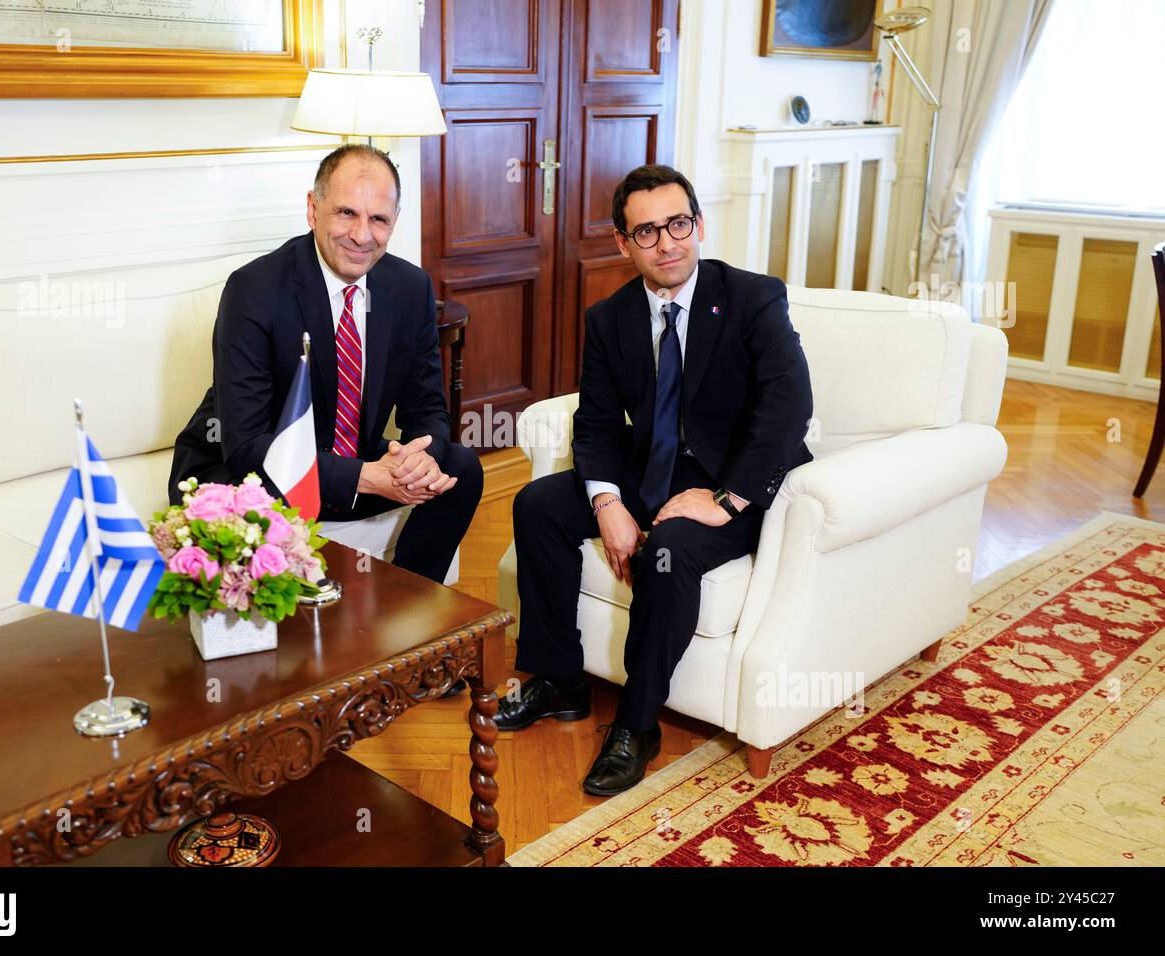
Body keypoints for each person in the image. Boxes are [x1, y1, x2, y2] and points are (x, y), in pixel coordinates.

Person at [497, 164, 814, 795]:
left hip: (734, 486)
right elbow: (594, 424)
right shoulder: (609, 318)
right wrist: (609, 501)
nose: (667, 243)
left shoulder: (753, 298)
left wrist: (727, 499)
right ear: (623, 243)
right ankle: (560, 680)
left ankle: (637, 725)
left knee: (667, 552)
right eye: (647, 232)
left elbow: (789, 407)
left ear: (698, 224)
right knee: (536, 504)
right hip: (650, 478)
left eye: (678, 224)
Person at [169, 144, 482, 592]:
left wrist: (416, 461)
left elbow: (428, 407)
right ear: (313, 210)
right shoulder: (253, 290)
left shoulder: (409, 287)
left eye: (379, 219)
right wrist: (365, 477)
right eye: (346, 213)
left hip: (348, 464)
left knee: (461, 468)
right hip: (256, 475)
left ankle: (406, 610)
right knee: (245, 493)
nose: (361, 235)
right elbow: (245, 447)